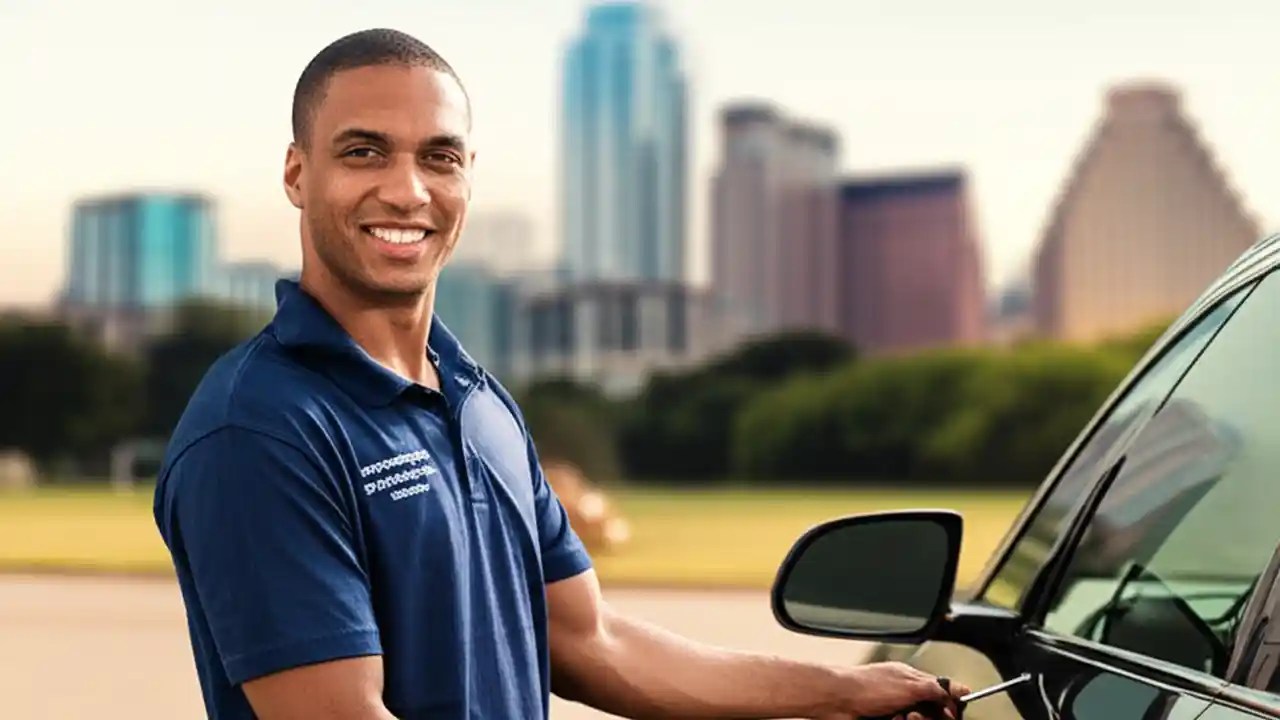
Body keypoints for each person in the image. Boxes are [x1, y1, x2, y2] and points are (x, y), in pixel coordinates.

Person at [152, 28, 969, 720]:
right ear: (298, 174)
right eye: (364, 152)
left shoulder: (475, 398)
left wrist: (842, 691)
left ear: (466, 175)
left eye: (438, 158)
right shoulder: (256, 429)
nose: (407, 191)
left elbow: (589, 640)